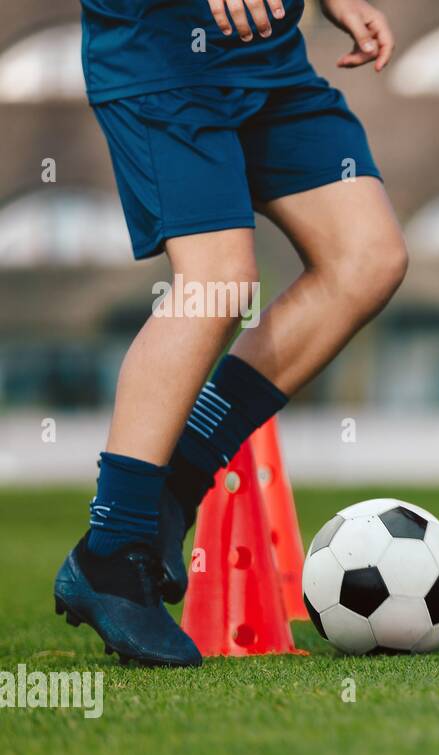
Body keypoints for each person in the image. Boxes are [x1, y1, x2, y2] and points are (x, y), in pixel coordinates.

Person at [56, 0, 408, 665]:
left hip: (269, 60)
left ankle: (170, 489)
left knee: (367, 260)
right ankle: (111, 551)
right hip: (159, 55)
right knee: (219, 283)